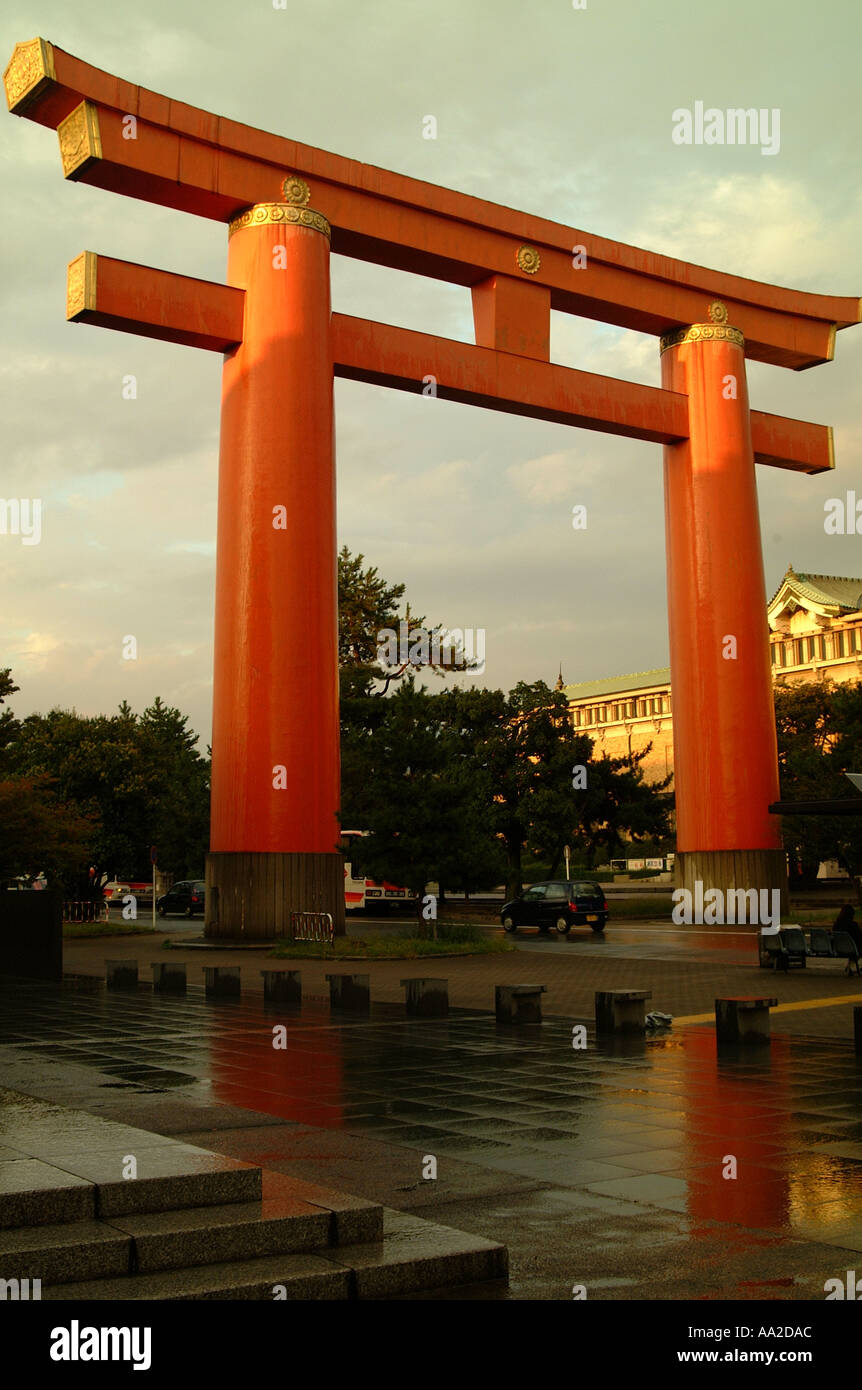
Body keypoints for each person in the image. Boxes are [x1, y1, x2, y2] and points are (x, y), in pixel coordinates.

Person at [833, 904, 862, 974]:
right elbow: (859, 937)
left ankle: (851, 966)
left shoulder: (836, 925)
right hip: (853, 948)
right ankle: (852, 966)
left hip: (839, 948)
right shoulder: (853, 925)